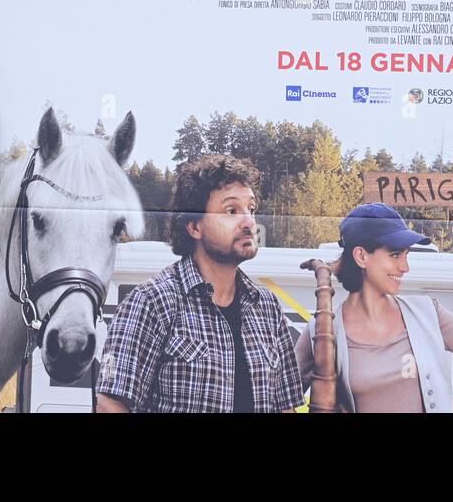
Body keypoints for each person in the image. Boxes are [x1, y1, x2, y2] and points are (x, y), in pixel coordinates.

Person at [94, 155, 303, 413]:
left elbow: (286, 408)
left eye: (251, 209)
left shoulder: (267, 307)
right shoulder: (152, 302)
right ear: (194, 227)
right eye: (231, 211)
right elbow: (110, 404)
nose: (249, 221)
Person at [295, 204, 453, 412]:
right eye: (395, 255)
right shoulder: (323, 331)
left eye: (406, 255)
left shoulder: (426, 313)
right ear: (361, 256)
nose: (405, 267)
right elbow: (281, 399)